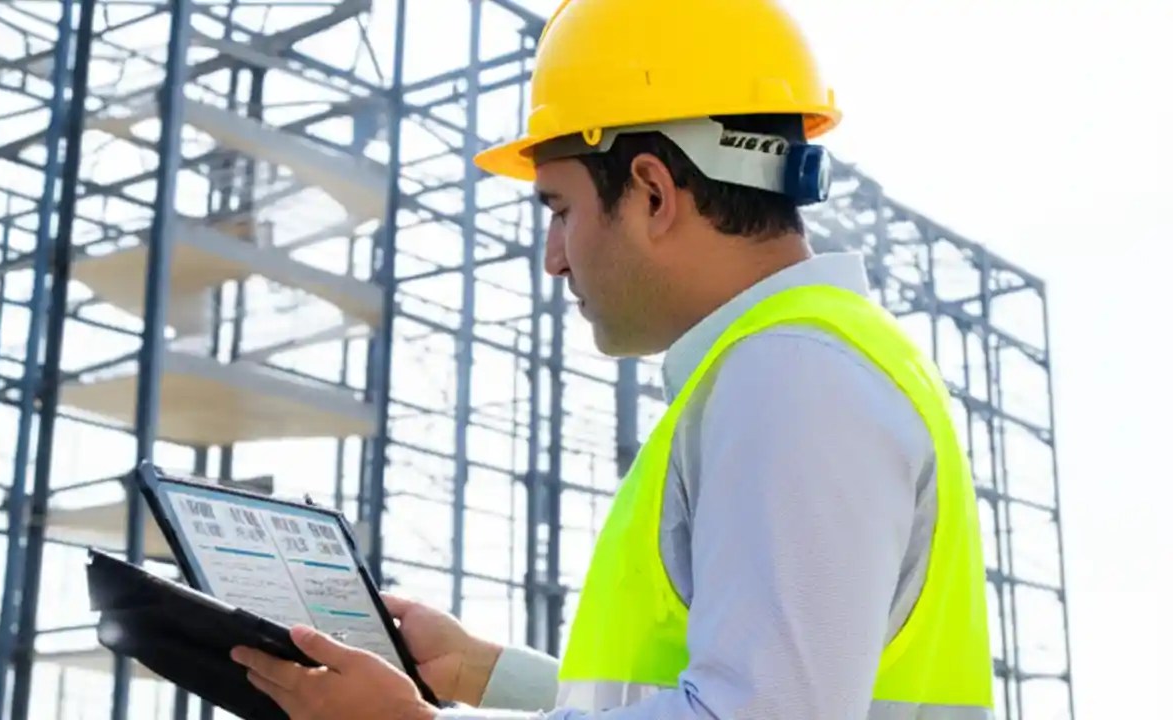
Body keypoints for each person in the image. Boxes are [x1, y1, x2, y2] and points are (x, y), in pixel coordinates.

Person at [229, 0, 997, 718]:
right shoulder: (807, 363)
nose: (553, 258)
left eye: (559, 210)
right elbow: (720, 689)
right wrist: (481, 672)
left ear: (654, 193)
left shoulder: (792, 378)